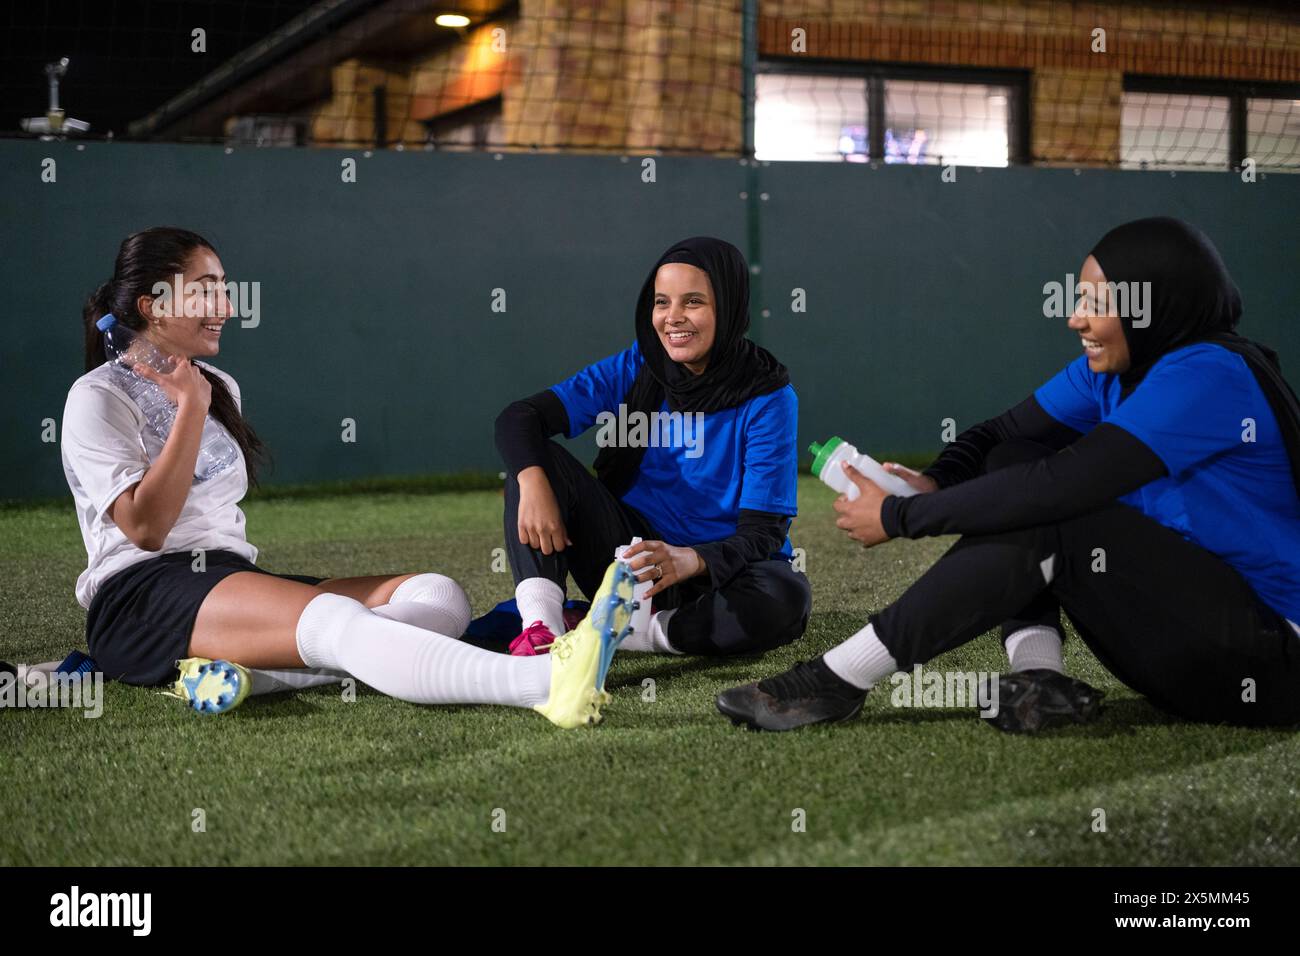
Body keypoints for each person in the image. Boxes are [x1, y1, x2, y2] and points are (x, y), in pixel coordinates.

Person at [718, 217, 1300, 732]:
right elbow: (996, 436)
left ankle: (837, 678)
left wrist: (900, 516)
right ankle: (1040, 678)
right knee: (1015, 458)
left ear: (1155, 307)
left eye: (1098, 303)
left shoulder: (1210, 374)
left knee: (1056, 511)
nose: (1075, 318)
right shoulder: (1113, 370)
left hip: (1270, 663)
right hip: (1196, 635)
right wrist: (936, 482)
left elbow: (1062, 487)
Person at [63, 226, 636, 727]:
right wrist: (190, 406)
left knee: (438, 596)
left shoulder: (219, 385)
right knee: (341, 622)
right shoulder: (98, 397)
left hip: (225, 579)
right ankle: (540, 684)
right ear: (152, 305)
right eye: (205, 288)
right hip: (140, 597)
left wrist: (199, 396)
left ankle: (254, 676)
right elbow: (145, 529)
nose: (226, 305)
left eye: (223, 285)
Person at [494, 236, 810, 658]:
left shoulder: (769, 396)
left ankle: (627, 632)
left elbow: (763, 533)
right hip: (630, 561)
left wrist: (690, 559)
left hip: (717, 570)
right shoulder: (637, 365)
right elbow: (520, 418)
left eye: (693, 301)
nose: (673, 318)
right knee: (537, 460)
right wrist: (533, 483)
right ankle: (541, 630)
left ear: (729, 306)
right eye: (662, 302)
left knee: (786, 598)